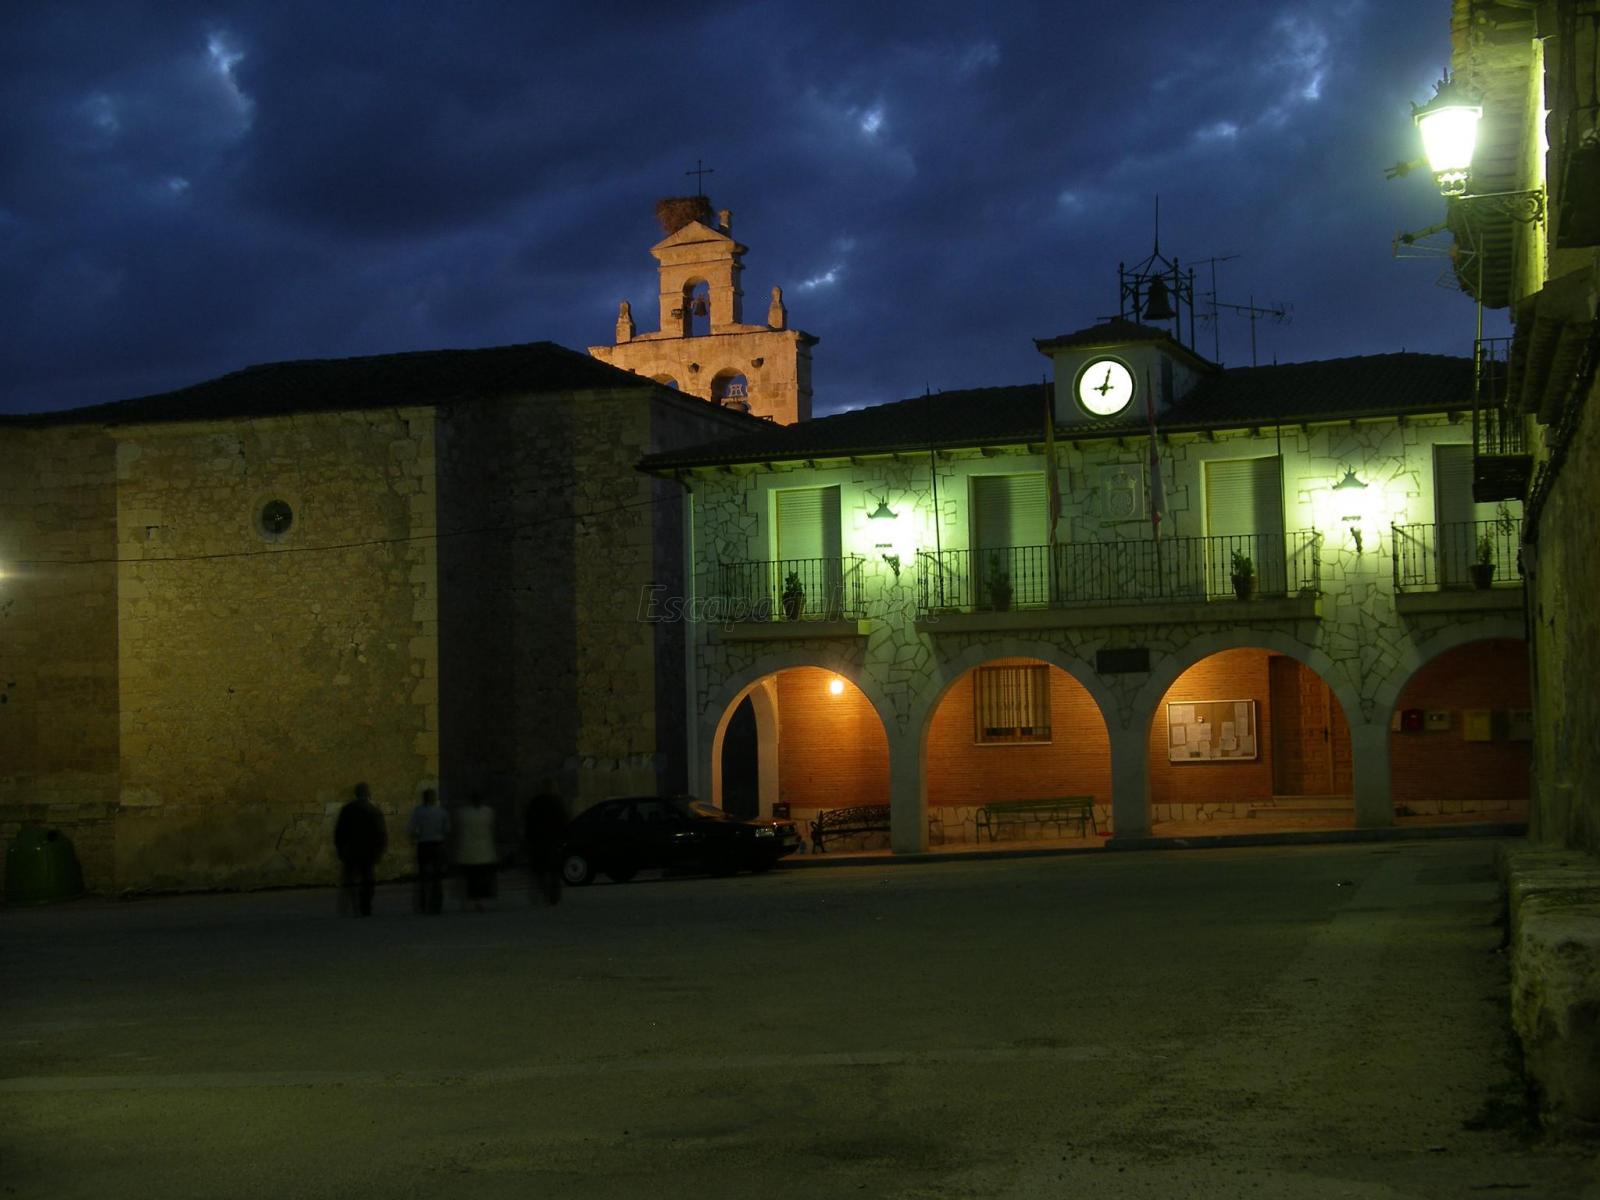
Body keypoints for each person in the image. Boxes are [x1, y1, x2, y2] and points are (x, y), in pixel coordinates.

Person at [334, 781, 387, 917]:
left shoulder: (347, 810)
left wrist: (340, 849)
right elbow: (380, 832)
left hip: (352, 849)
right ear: (368, 794)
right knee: (368, 879)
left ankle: (355, 905)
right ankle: (365, 906)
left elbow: (340, 831)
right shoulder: (373, 810)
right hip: (368, 850)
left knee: (351, 879)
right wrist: (380, 850)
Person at [406, 787, 450, 914]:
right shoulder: (441, 812)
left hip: (424, 844)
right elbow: (447, 830)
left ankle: (424, 904)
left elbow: (411, 829)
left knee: (424, 876)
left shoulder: (418, 812)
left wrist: (417, 837)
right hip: (438, 844)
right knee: (437, 876)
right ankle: (436, 905)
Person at [524, 790, 569, 907]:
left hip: (539, 842)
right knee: (553, 872)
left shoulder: (535, 804)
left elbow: (529, 825)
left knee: (541, 872)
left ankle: (547, 895)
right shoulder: (556, 805)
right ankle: (553, 897)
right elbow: (564, 822)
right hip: (552, 842)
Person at [454, 792, 498, 911]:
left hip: (468, 851)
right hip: (484, 850)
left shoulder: (463, 813)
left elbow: (458, 832)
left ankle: (471, 901)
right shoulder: (488, 812)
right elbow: (493, 830)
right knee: (482, 878)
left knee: (471, 878)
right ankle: (480, 901)